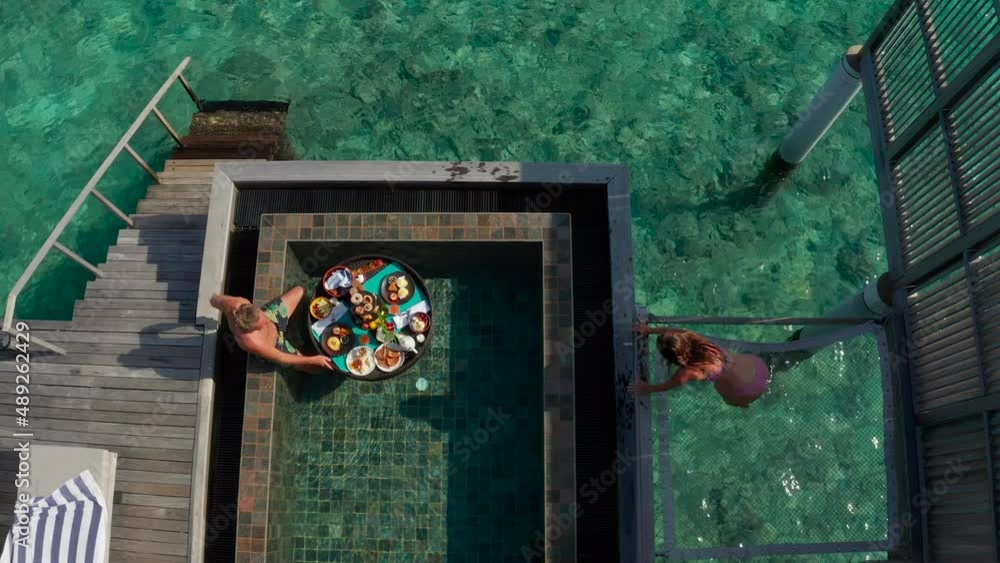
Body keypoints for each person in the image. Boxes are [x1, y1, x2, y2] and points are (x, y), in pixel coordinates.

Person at [629, 325, 771, 408]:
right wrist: (649, 330)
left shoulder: (687, 371)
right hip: (757, 366)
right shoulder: (695, 338)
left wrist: (646, 388)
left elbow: (668, 385)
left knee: (727, 400)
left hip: (749, 389)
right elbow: (675, 331)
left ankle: (745, 402)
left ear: (672, 358)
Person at [210, 285, 333, 373]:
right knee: (312, 367)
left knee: (301, 290)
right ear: (251, 330)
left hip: (274, 316)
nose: (265, 320)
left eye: (261, 315)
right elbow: (281, 357)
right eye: (261, 324)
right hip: (276, 345)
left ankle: (294, 326)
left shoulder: (237, 304)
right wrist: (314, 359)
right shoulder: (251, 342)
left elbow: (213, 299)